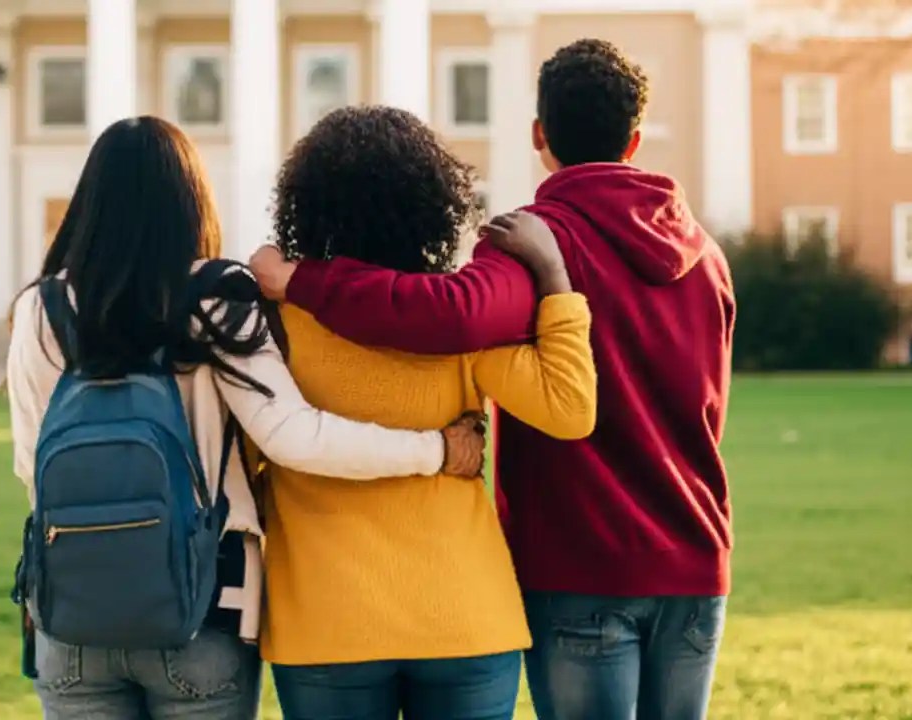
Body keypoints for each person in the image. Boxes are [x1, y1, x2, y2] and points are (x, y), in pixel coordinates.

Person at [252, 40, 736, 720]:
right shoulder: (708, 258)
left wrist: (299, 280)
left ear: (540, 135)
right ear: (635, 139)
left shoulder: (529, 246)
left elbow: (451, 315)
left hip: (573, 560)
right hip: (687, 554)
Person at [5, 116, 489, 720]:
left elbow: (32, 465)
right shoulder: (215, 292)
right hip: (204, 610)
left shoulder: (38, 308)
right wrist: (436, 451)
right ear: (191, 202)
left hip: (70, 614)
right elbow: (292, 436)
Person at [259, 105, 598, 720]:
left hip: (326, 621)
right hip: (465, 618)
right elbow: (570, 409)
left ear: (303, 205)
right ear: (432, 203)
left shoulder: (280, 323)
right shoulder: (457, 324)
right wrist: (557, 285)